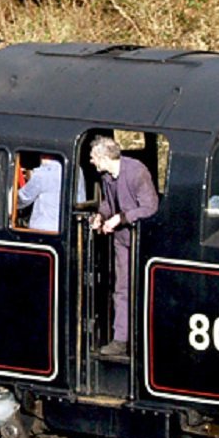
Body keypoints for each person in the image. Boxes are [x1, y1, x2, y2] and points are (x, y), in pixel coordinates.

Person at [89, 136, 158, 358]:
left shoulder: (137, 172)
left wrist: (121, 218)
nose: (91, 161)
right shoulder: (107, 177)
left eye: (93, 157)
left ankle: (141, 339)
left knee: (140, 289)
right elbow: (108, 203)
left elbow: (150, 207)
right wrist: (101, 216)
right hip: (122, 241)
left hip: (142, 242)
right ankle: (121, 339)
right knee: (121, 289)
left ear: (103, 157)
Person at [16, 155, 62, 233]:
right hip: (64, 229)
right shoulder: (77, 171)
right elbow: (80, 201)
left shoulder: (43, 173)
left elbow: (23, 198)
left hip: (42, 229)